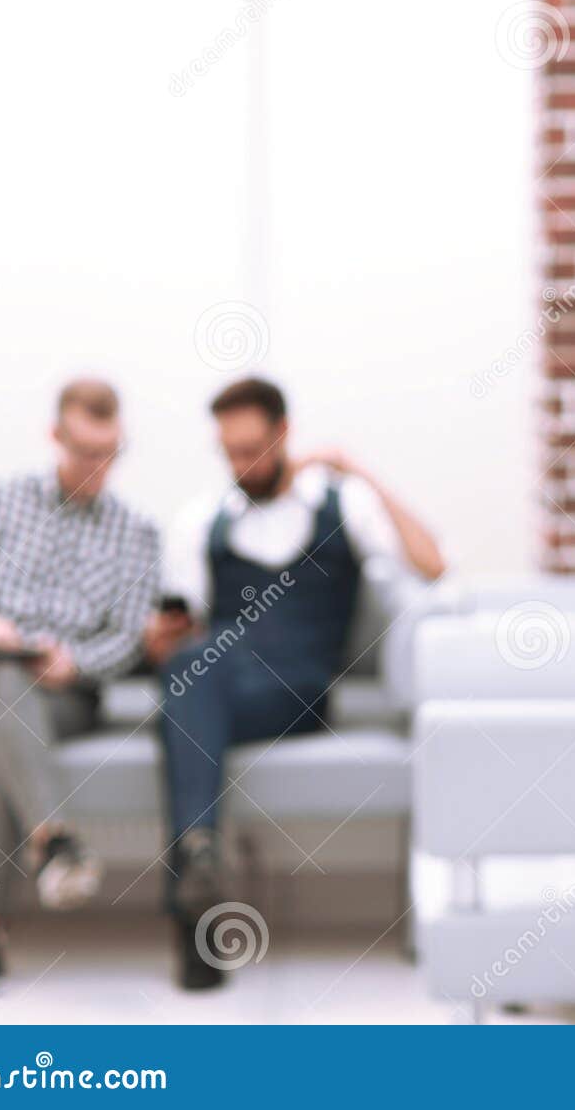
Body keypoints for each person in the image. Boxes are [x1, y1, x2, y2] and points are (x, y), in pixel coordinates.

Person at [146, 376, 445, 990]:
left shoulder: (342, 504)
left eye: (252, 447)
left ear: (284, 433)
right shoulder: (204, 521)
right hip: (224, 686)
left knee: (184, 700)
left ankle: (193, 897)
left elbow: (432, 563)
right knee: (187, 669)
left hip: (298, 689)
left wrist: (359, 471)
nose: (240, 464)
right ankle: (201, 861)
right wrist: (160, 639)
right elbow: (182, 632)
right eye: (229, 452)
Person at [0, 377, 160, 994]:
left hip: (64, 693)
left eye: (111, 453)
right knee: (5, 679)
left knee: (14, 718)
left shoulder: (137, 532)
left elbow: (128, 638)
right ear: (55, 437)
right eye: (85, 452)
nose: (98, 468)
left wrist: (74, 663)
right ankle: (53, 841)